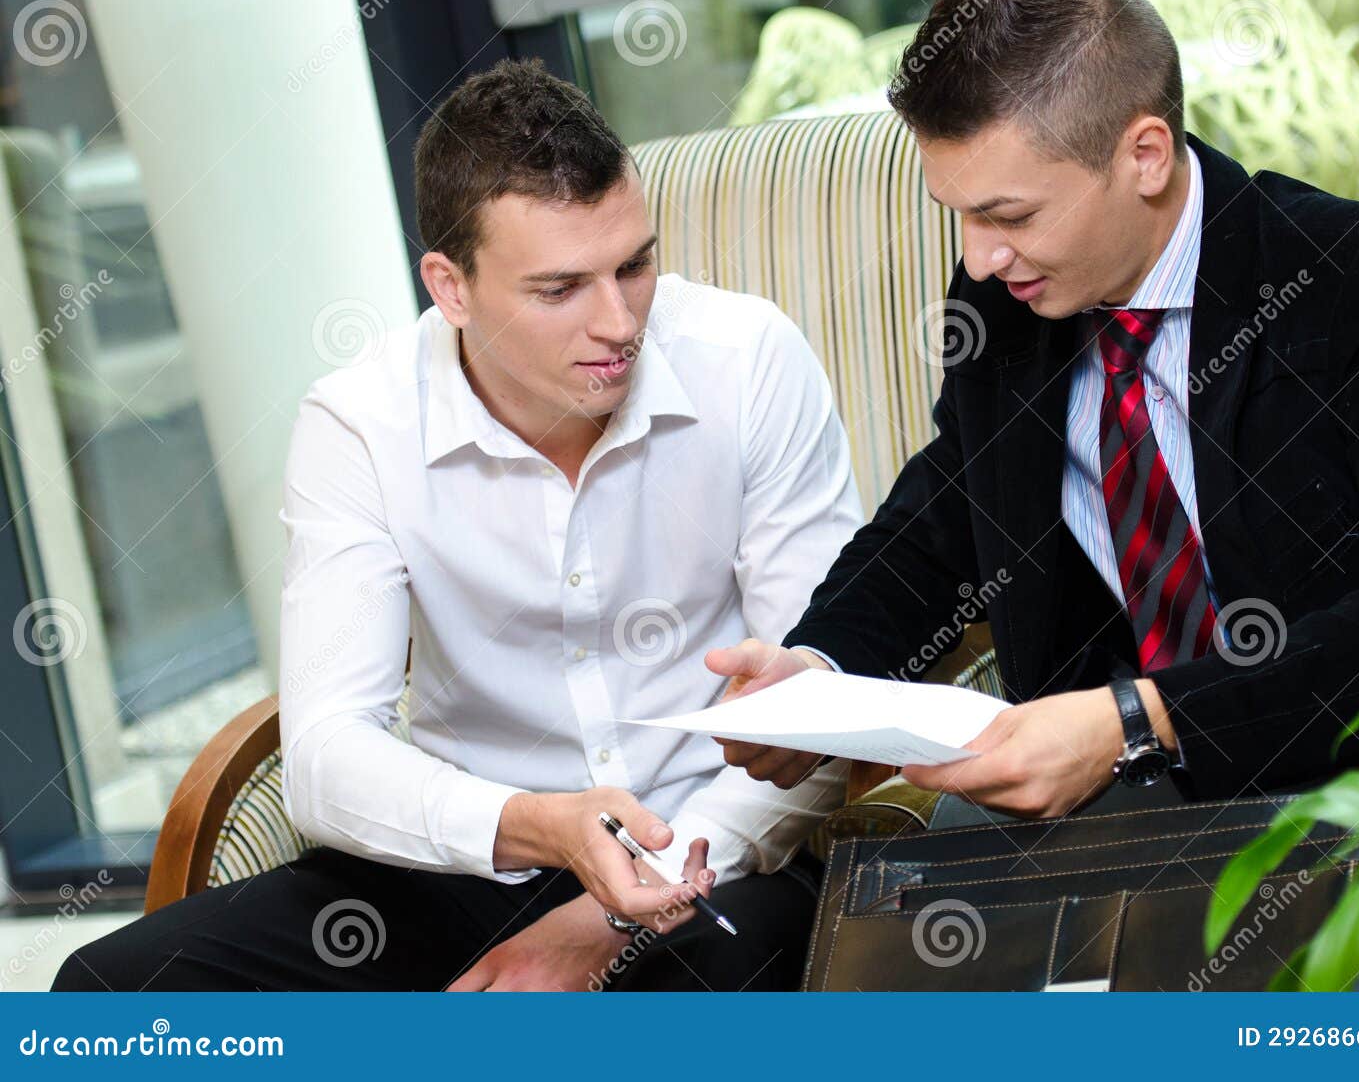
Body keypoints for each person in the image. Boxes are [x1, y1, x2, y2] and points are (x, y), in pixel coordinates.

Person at [54, 58, 860, 993]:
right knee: (111, 994)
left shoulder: (748, 361)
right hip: (479, 852)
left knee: (677, 1002)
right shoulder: (360, 422)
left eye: (634, 265)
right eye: (559, 289)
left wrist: (604, 915)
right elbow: (322, 758)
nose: (618, 321)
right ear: (452, 286)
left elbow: (822, 706)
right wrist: (538, 826)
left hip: (718, 848)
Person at [707, 0, 1359, 818]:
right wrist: (815, 672)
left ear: (1146, 155)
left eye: (1010, 215)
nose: (978, 257)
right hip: (1142, 814)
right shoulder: (1004, 304)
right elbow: (940, 519)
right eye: (959, 215)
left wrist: (1139, 721)